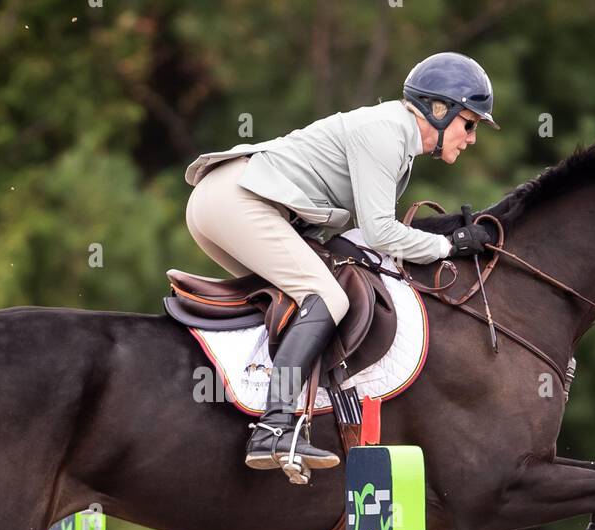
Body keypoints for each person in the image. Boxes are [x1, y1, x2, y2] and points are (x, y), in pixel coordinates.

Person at [184, 52, 499, 476]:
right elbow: (383, 232)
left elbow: (364, 236)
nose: (472, 137)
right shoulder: (387, 131)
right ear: (439, 110)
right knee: (326, 296)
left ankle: (260, 399)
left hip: (227, 201)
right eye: (470, 123)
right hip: (237, 200)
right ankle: (274, 428)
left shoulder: (396, 141)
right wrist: (448, 245)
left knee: (300, 299)